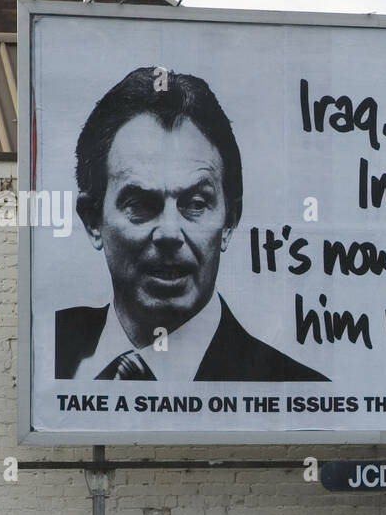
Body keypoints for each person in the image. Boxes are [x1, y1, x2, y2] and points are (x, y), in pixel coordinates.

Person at [55, 65, 327, 382]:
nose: (170, 233)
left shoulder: (294, 387)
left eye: (196, 204)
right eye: (141, 205)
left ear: (229, 222)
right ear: (92, 221)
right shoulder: (49, 345)